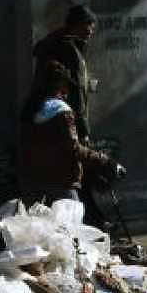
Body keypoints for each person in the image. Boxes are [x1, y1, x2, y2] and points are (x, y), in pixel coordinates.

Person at [16, 64, 115, 206]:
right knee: (70, 225)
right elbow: (74, 148)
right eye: (66, 85)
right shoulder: (61, 111)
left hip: (32, 185)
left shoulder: (30, 110)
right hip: (61, 183)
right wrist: (103, 159)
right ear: (60, 85)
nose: (67, 91)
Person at [32, 4, 99, 139]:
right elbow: (77, 91)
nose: (90, 33)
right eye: (88, 28)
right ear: (76, 25)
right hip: (66, 123)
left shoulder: (52, 44)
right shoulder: (69, 50)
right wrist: (83, 130)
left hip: (46, 119)